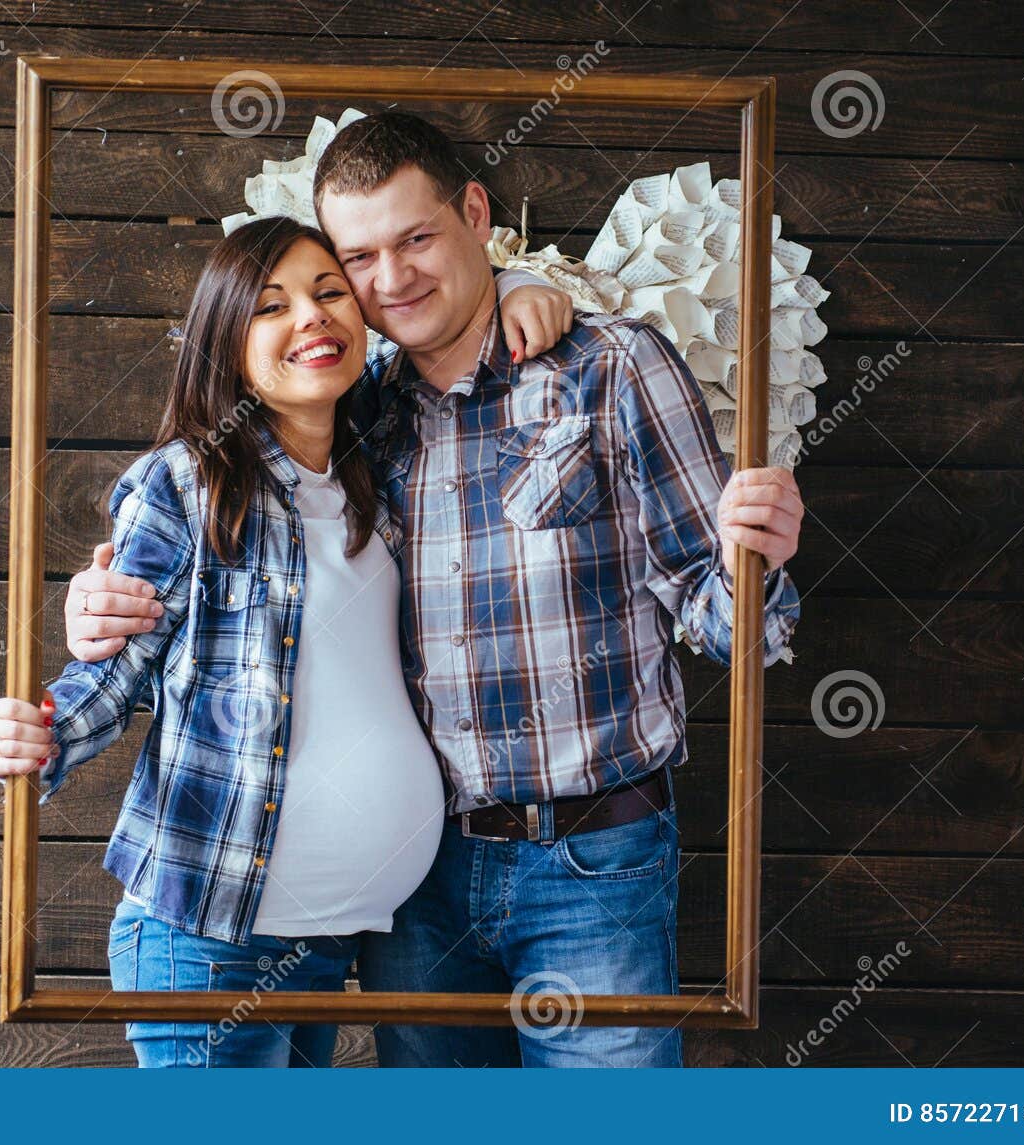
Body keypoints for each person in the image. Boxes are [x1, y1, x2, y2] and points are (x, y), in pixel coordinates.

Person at [65, 112, 807, 1068]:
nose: (391, 280)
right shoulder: (358, 411)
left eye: (416, 240)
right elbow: (215, 525)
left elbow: (726, 625)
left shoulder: (614, 369)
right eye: (359, 258)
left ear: (474, 213)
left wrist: (762, 560)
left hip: (591, 861)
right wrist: (99, 610)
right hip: (417, 891)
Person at [0, 214, 572, 1068]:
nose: (312, 318)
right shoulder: (188, 480)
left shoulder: (381, 462)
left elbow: (447, 338)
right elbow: (118, 663)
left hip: (324, 951)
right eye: (271, 306)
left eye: (331, 294)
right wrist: (38, 732)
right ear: (226, 341)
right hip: (211, 934)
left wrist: (512, 284)